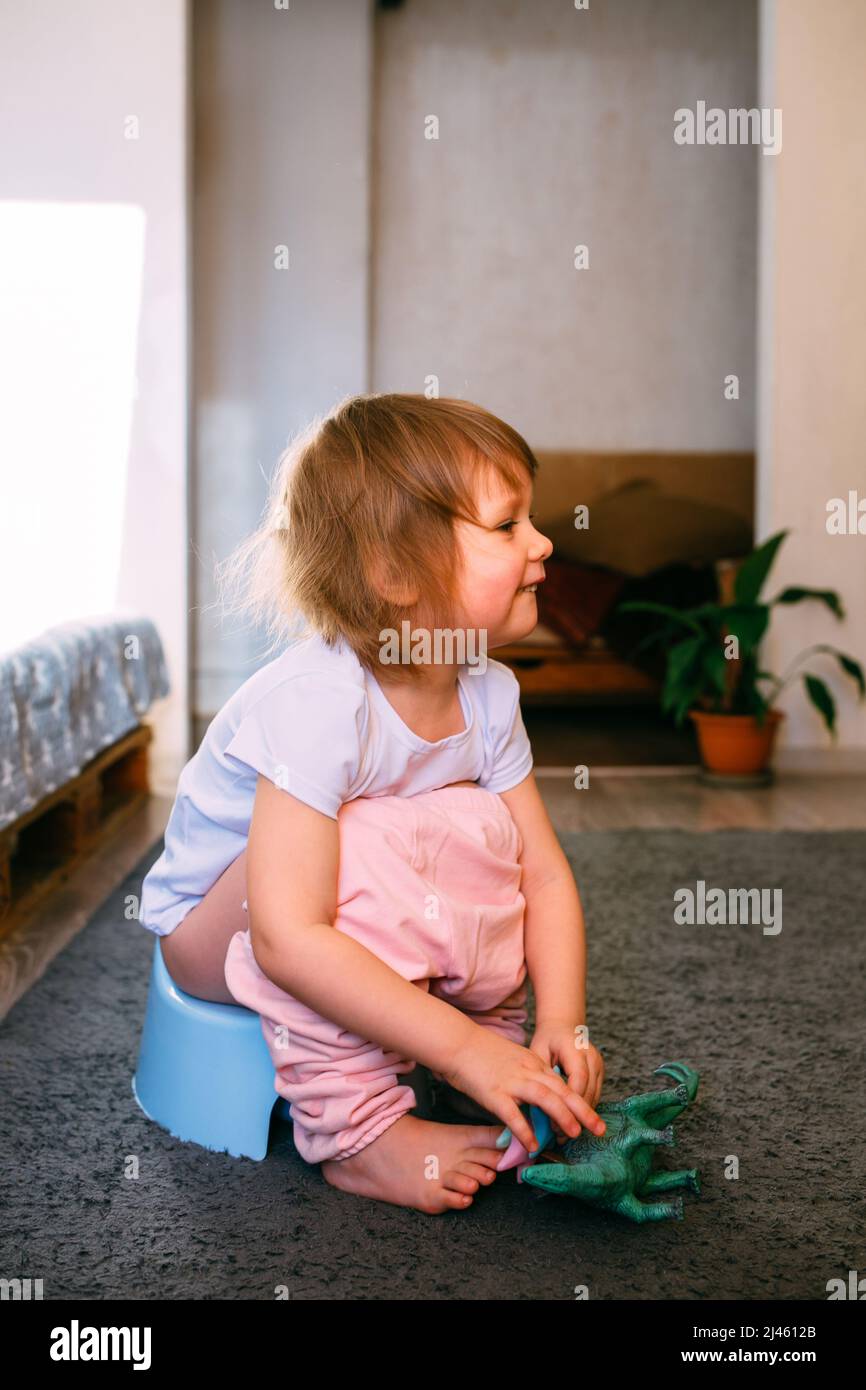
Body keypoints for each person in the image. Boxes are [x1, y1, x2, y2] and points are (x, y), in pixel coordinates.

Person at [139, 392, 606, 1214]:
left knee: (482, 828)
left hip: (331, 914)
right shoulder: (320, 701)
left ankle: (489, 1047)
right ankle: (360, 1134)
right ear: (393, 573)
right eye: (506, 526)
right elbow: (287, 938)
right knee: (372, 836)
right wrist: (459, 1052)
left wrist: (560, 1024)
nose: (542, 543)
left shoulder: (489, 692)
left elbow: (547, 878)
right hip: (221, 937)